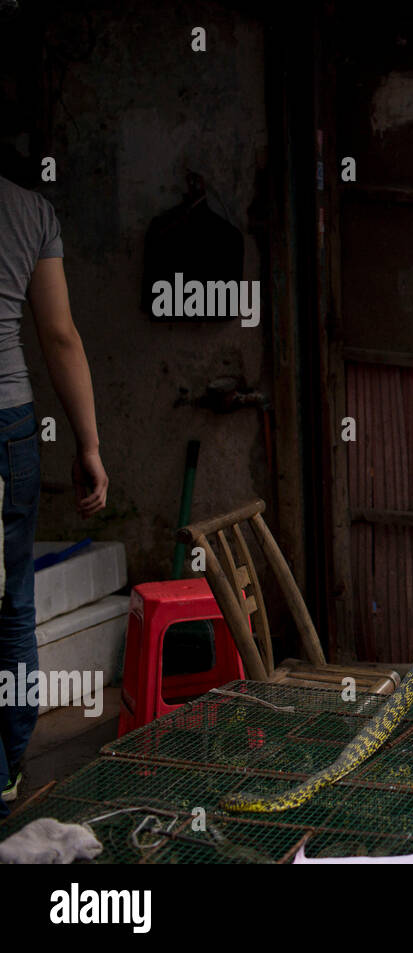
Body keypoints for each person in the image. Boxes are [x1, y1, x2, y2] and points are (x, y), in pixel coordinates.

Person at [0, 175, 109, 815]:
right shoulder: (30, 210)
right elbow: (60, 335)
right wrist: (88, 445)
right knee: (12, 602)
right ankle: (9, 772)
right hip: (9, 421)